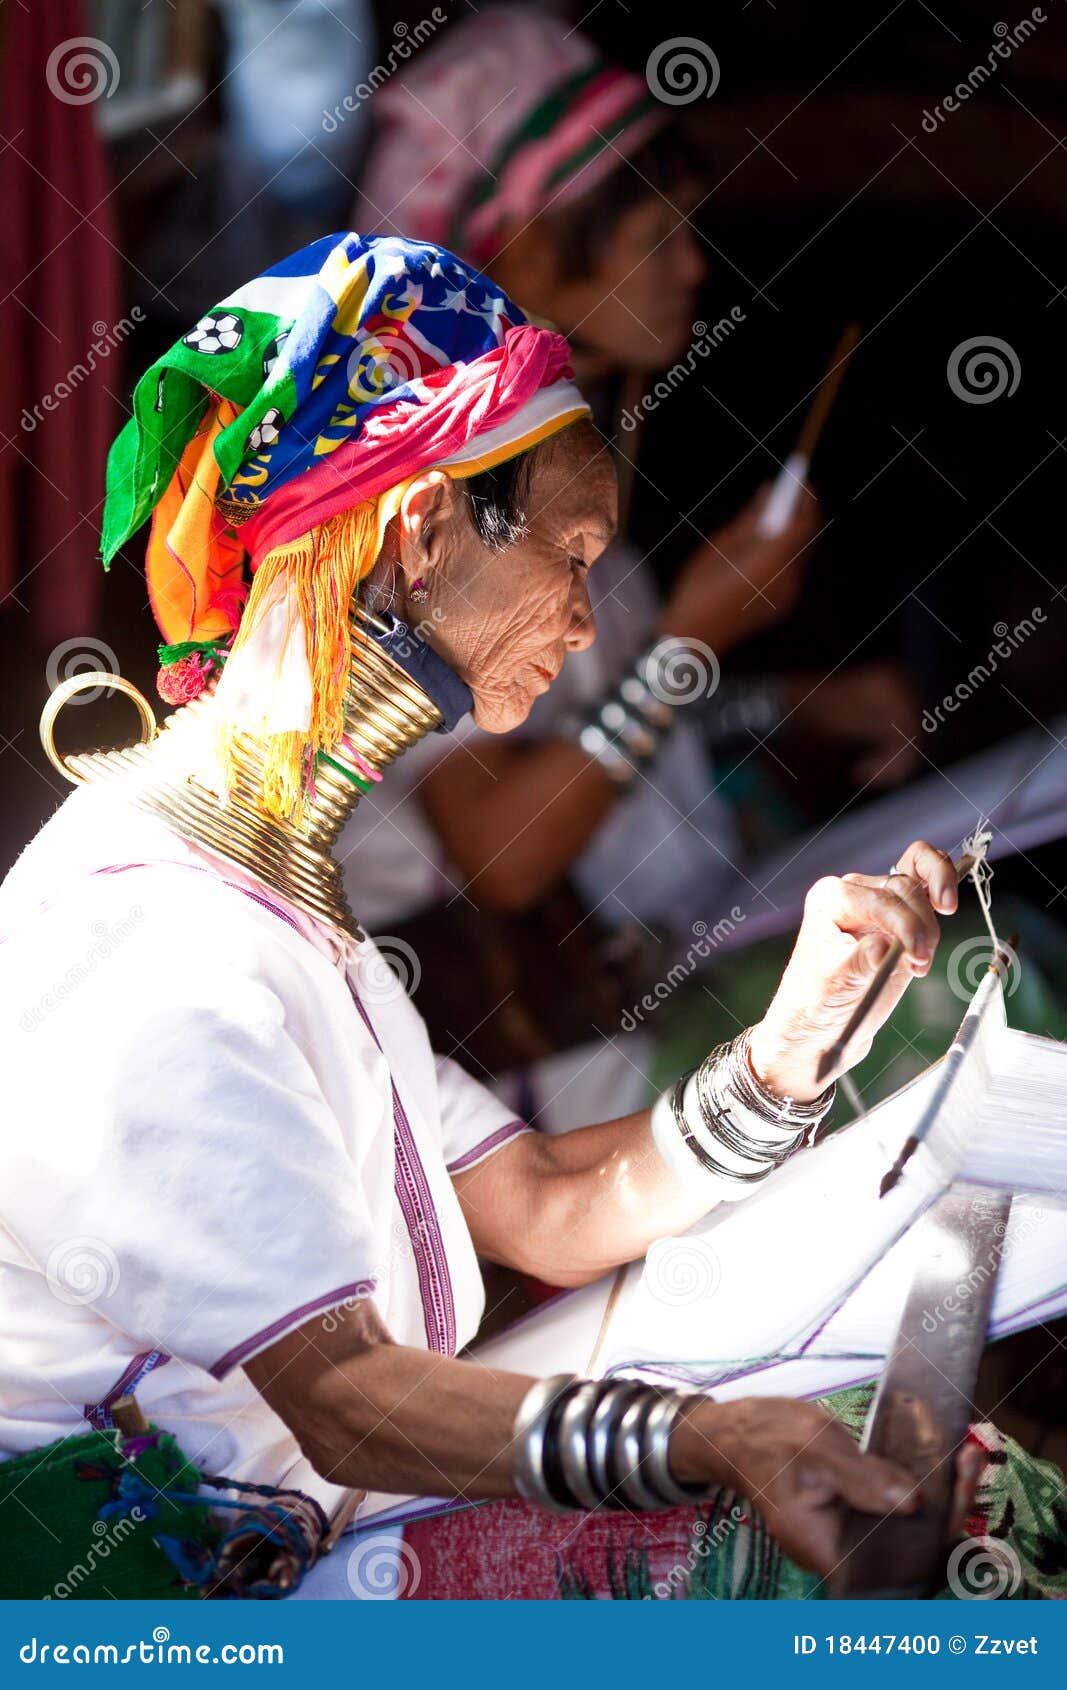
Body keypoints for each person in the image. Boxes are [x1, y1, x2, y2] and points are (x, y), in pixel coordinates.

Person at [1, 235, 1058, 1603]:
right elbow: (351, 1406)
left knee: (922, 1481)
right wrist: (702, 1437)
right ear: (422, 529)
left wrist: (792, 1045)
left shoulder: (275, 909)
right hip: (162, 1607)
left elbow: (546, 1206)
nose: (577, 615)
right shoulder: (150, 946)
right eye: (568, 553)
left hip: (296, 1548)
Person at [340, 7, 920, 1130]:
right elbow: (503, 858)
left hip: (643, 988)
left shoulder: (564, 474)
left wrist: (794, 703)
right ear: (517, 247)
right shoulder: (429, 507)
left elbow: (595, 730)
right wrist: (691, 641)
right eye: (651, 238)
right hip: (524, 1071)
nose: (691, 268)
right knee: (950, 1004)